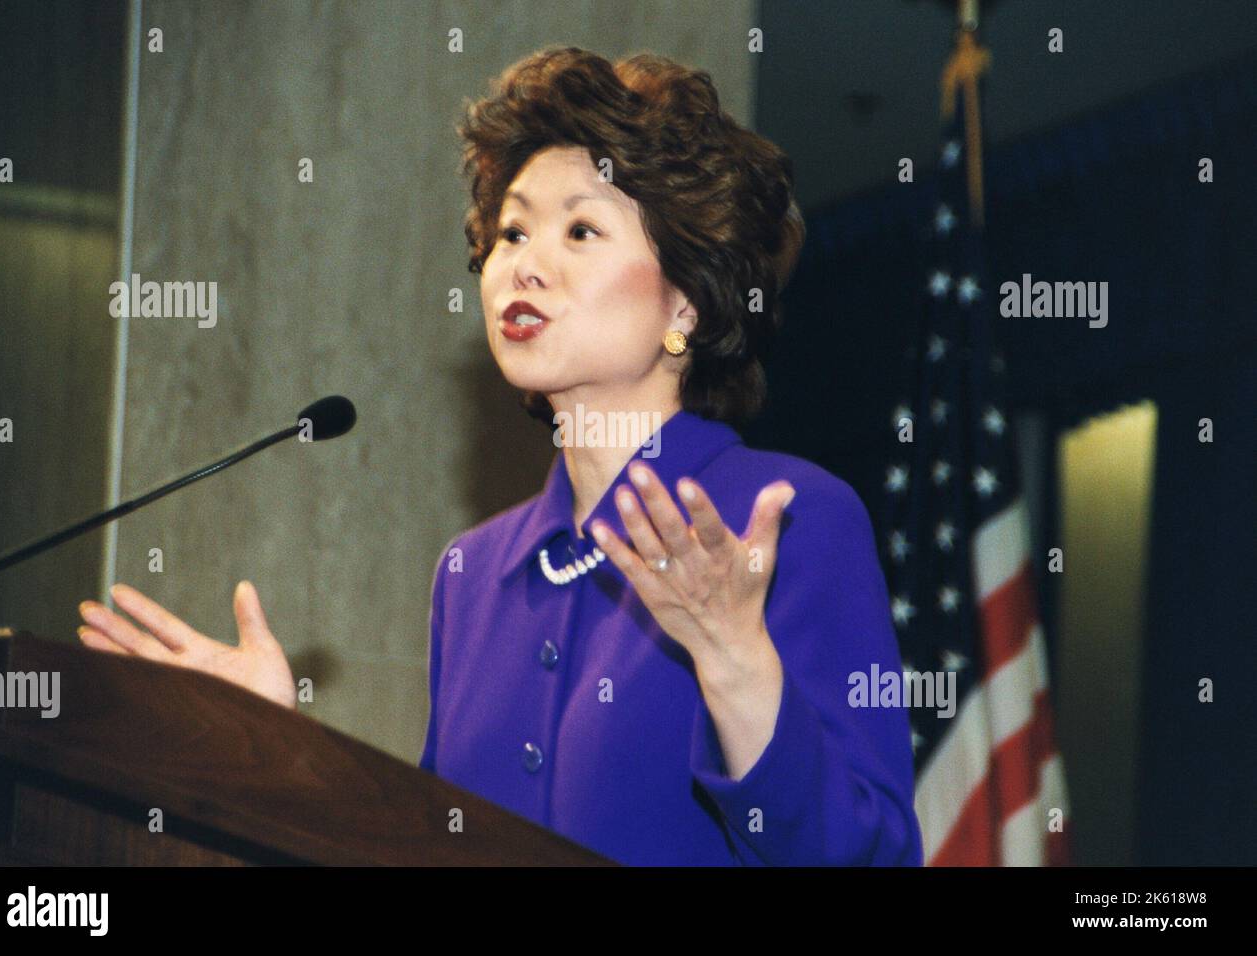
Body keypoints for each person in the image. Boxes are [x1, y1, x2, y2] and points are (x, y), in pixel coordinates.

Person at [76, 46, 923, 867]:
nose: (522, 265)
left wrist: (739, 666)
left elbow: (867, 856)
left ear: (689, 304)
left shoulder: (790, 520)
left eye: (580, 230)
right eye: (511, 232)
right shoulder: (472, 575)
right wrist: (282, 754)